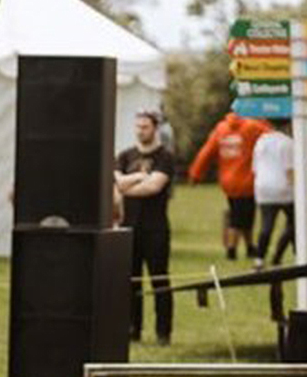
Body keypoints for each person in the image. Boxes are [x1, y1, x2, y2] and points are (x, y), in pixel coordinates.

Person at [115, 111, 175, 346]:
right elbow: (117, 183)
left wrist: (128, 185)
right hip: (129, 226)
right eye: (138, 126)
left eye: (145, 127)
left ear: (155, 128)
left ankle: (163, 332)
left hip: (156, 228)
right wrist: (141, 176)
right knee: (131, 280)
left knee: (159, 280)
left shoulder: (165, 157)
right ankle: (133, 329)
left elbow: (154, 187)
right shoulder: (125, 155)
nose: (141, 131)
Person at [189, 113, 270, 260]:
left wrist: (196, 174)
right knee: (242, 216)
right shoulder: (252, 127)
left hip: (228, 181)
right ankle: (233, 250)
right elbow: (271, 133)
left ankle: (247, 247)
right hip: (246, 181)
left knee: (239, 213)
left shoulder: (221, 128)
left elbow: (206, 152)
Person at [252, 119, 295, 268]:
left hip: (263, 186)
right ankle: (281, 253)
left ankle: (259, 258)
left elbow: (255, 167)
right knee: (295, 222)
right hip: (283, 188)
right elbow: (289, 170)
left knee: (266, 225)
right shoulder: (287, 143)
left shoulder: (261, 142)